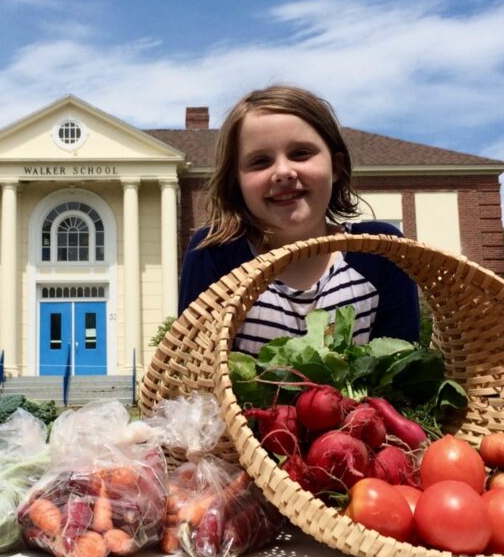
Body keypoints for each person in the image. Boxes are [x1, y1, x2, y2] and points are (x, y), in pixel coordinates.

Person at [178, 84, 420, 355]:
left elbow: (402, 370)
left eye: (301, 154)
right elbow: (195, 373)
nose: (283, 172)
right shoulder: (215, 253)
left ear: (336, 166)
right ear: (237, 182)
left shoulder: (380, 251)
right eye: (260, 161)